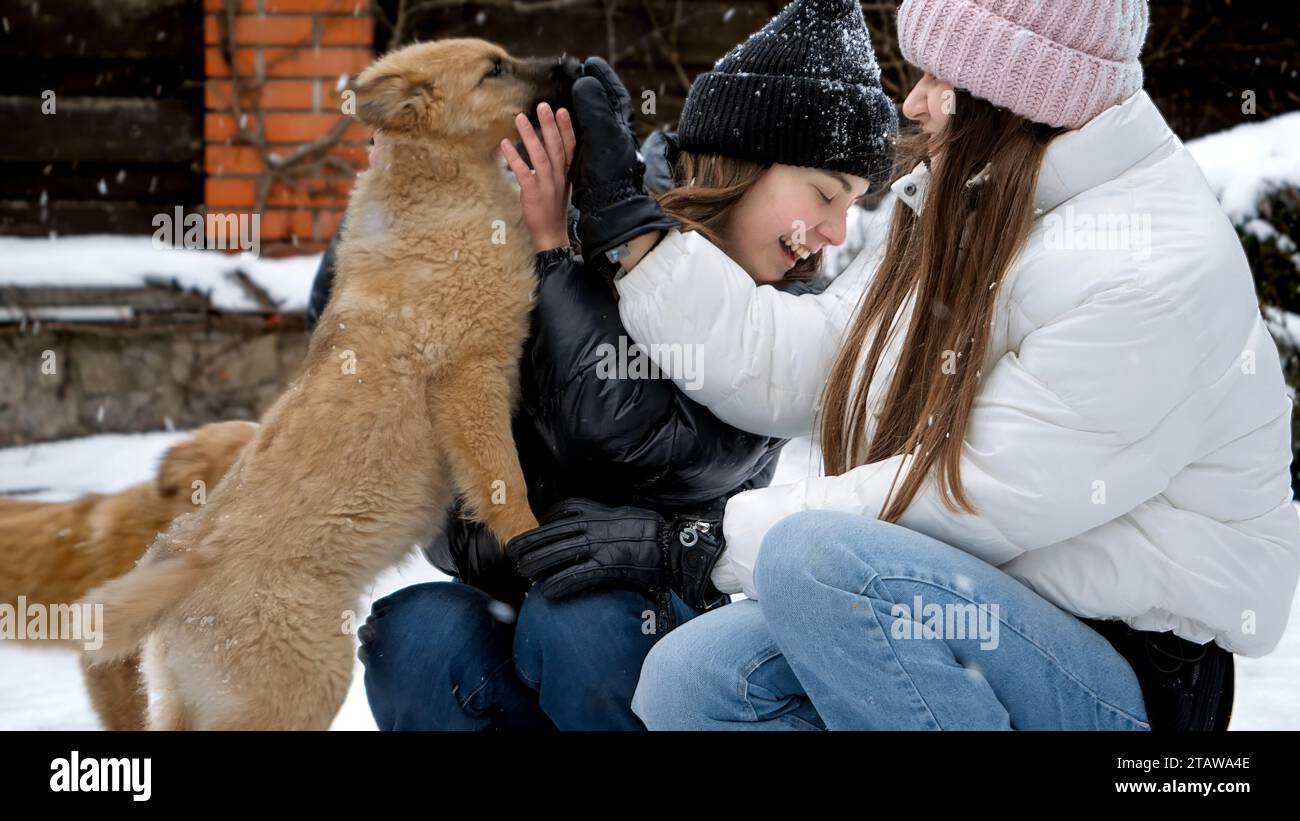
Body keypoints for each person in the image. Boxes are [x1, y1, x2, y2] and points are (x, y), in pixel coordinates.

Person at [516, 0, 1299, 730]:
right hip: (976, 605)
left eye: (940, 80)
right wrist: (633, 227)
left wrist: (707, 540)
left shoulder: (1150, 269)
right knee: (690, 676)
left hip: (1132, 670)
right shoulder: (982, 202)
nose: (914, 104)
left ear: (1012, 96)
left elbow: (967, 496)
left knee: (817, 560)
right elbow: (810, 361)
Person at [308, 0, 898, 729]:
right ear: (742, 162)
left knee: (580, 623)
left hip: (648, 614)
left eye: (853, 204)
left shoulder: (782, 325)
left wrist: (554, 252)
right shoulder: (568, 194)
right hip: (513, 582)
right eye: (824, 194)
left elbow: (623, 434)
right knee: (419, 632)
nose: (836, 233)